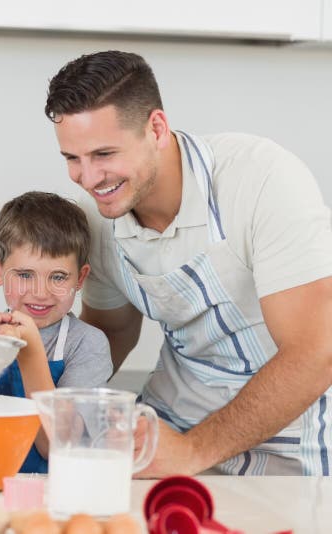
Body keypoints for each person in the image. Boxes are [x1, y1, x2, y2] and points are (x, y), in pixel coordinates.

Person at [44, 50, 332, 476]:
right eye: (72, 158)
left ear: (156, 128)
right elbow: (113, 330)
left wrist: (195, 451)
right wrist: (51, 408)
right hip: (166, 431)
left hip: (290, 444)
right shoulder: (98, 222)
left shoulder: (260, 179)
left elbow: (318, 352)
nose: (88, 179)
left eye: (104, 154)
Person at [0, 191, 112, 473]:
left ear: (80, 278)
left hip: (54, 494)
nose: (40, 293)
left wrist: (30, 347)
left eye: (58, 277)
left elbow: (57, 446)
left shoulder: (87, 345)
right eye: (24, 275)